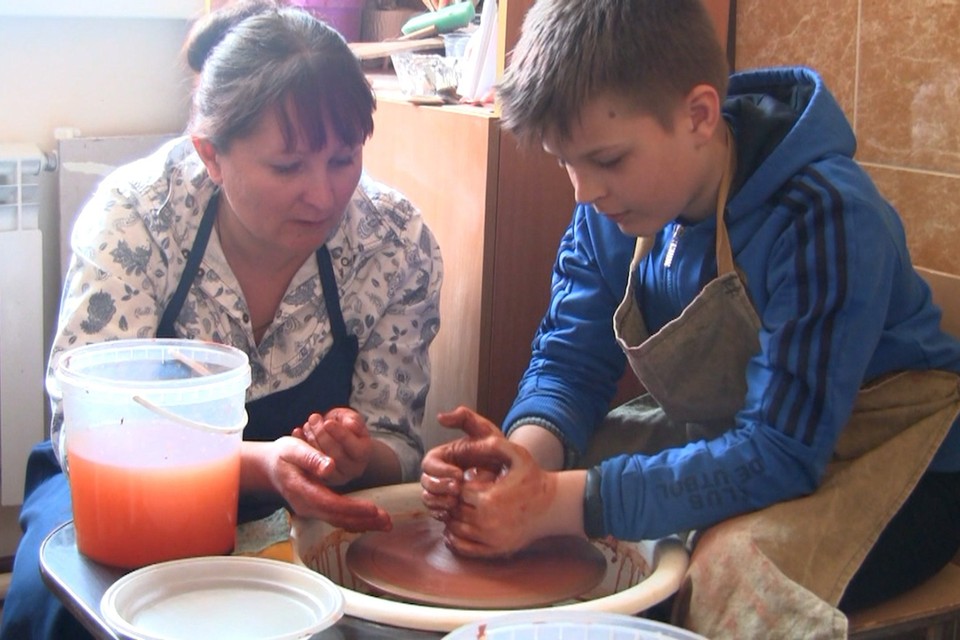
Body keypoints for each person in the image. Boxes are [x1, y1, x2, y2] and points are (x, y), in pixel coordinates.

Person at [420, 0, 960, 637]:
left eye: (607, 160)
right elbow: (569, 361)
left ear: (700, 115)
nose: (583, 191)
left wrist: (558, 502)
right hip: (738, 429)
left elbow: (781, 453)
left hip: (899, 459)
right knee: (570, 486)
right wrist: (522, 463)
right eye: (565, 161)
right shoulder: (609, 208)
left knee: (723, 565)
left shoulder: (824, 215)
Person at [1, 2, 442, 638]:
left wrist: (355, 458)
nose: (323, 195)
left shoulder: (393, 242)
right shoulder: (137, 219)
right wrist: (260, 463)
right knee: (63, 609)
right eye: (288, 167)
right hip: (122, 496)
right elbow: (87, 433)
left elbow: (397, 444)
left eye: (344, 159)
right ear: (210, 155)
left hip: (306, 509)